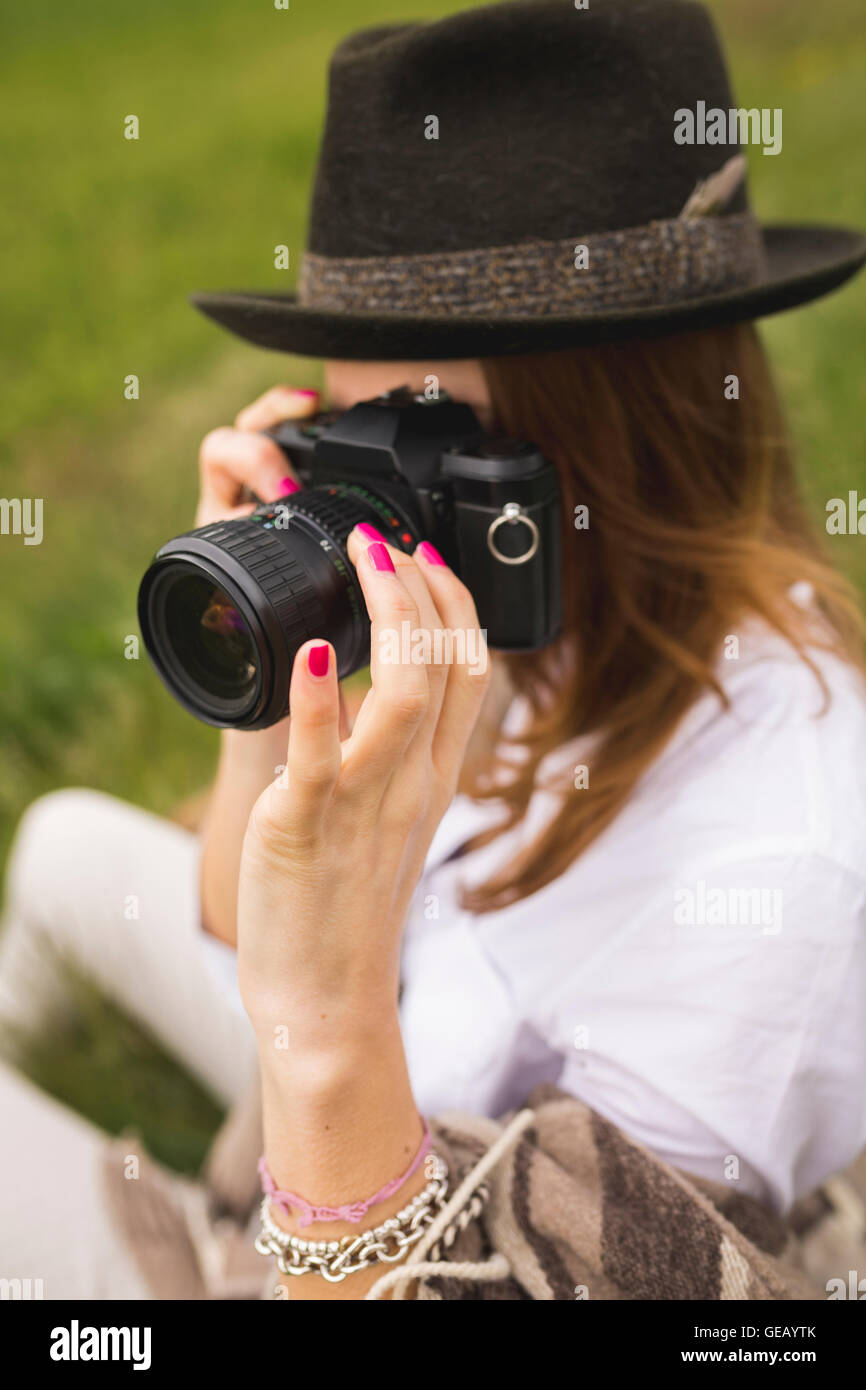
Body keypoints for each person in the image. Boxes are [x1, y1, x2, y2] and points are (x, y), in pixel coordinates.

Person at [3, 0, 866, 1301]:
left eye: (427, 447)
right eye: (343, 436)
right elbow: (246, 927)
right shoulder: (563, 612)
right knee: (65, 836)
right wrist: (259, 693)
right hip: (343, 1069)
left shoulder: (763, 878)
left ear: (629, 430)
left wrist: (331, 1017)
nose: (367, 515)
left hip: (360, 1237)